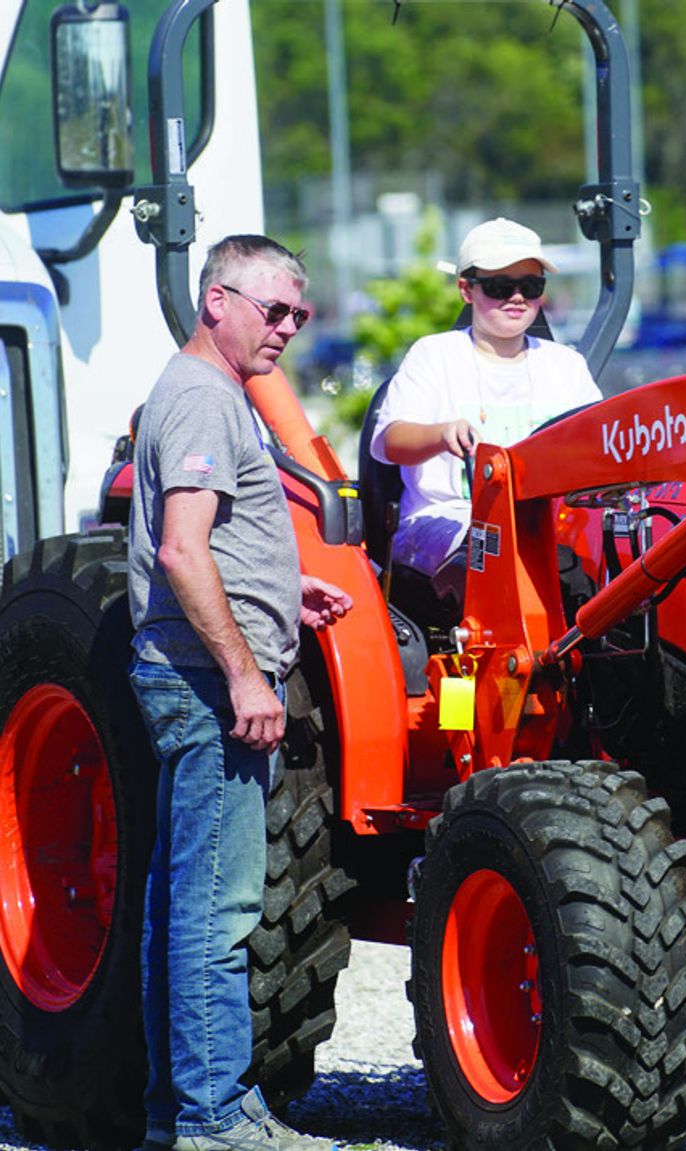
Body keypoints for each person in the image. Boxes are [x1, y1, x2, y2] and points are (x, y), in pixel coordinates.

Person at [128, 235, 353, 1150]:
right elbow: (181, 548)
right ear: (215, 300)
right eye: (275, 310)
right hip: (206, 684)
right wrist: (245, 673)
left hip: (192, 671)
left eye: (301, 314)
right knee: (218, 911)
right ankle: (215, 1117)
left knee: (178, 906)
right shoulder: (204, 399)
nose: (289, 328)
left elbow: (202, 542)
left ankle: (175, 1109)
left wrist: (277, 586)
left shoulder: (201, 393)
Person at [369, 217, 602, 605]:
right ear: (466, 290)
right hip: (447, 519)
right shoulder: (434, 355)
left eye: (530, 286)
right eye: (499, 286)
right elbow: (391, 441)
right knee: (498, 544)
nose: (516, 297)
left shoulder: (566, 365)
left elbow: (598, 445)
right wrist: (442, 433)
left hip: (552, 521)